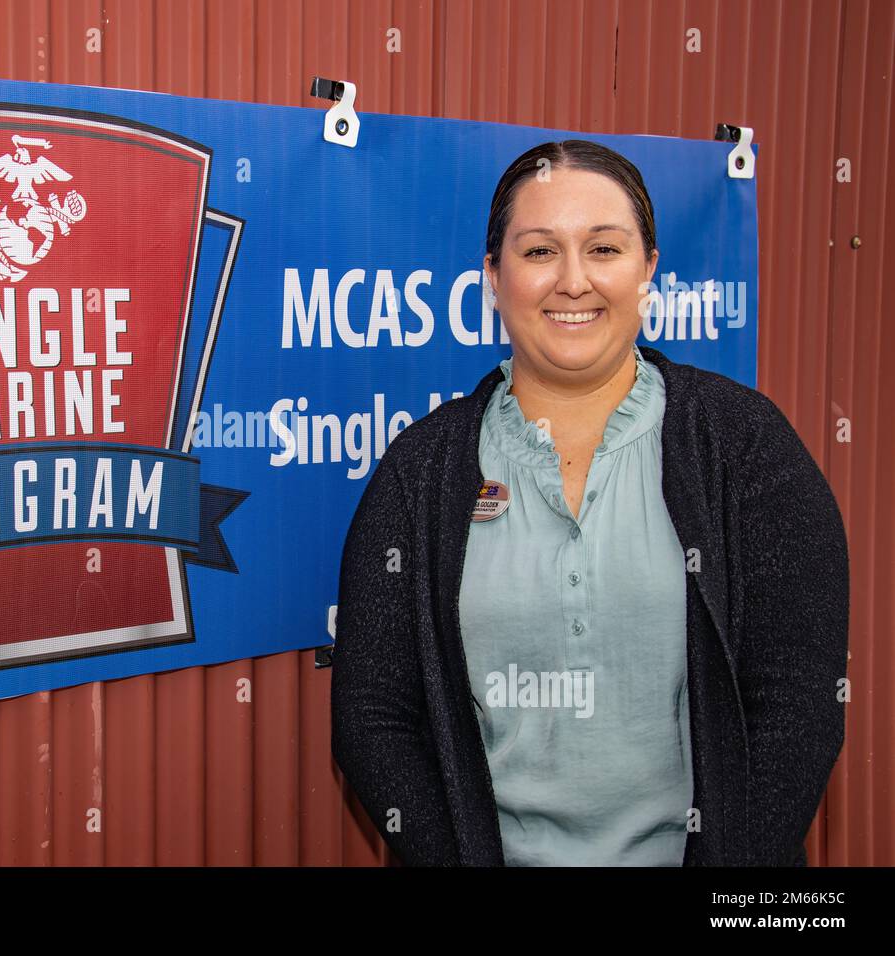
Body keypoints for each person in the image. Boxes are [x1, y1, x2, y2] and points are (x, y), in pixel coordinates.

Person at [330, 139, 849, 866]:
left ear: (649, 272)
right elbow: (373, 717)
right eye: (540, 251)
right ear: (493, 275)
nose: (573, 282)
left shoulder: (746, 446)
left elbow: (799, 704)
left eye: (604, 249)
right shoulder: (420, 473)